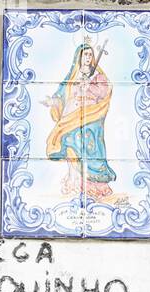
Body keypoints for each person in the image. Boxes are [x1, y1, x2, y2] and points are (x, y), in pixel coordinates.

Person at [45, 42, 118, 200]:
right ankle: (75, 180)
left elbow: (105, 92)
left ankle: (94, 186)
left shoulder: (98, 76)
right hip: (72, 116)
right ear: (78, 57)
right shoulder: (73, 75)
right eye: (85, 54)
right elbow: (61, 95)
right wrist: (53, 102)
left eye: (90, 55)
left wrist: (89, 87)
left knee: (89, 145)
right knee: (70, 141)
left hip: (92, 117)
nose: (88, 57)